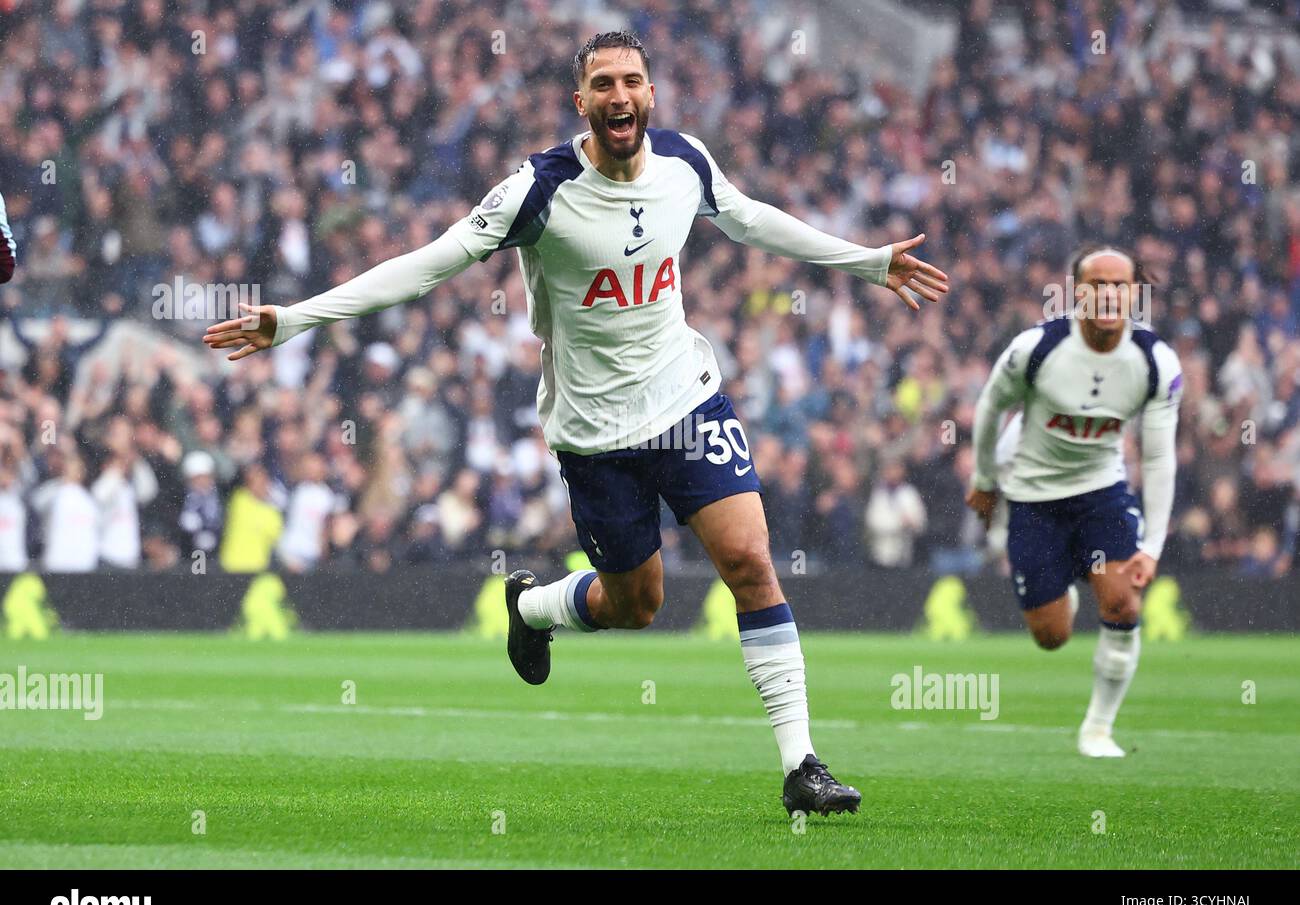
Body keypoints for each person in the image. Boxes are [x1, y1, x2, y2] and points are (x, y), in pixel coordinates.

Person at [202, 32, 950, 816]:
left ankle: (802, 764)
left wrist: (867, 260)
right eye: (603, 84)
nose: (620, 96)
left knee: (750, 561)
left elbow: (752, 219)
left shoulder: (685, 163)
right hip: (595, 434)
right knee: (637, 605)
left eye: (632, 81)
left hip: (687, 402)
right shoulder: (537, 189)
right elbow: (429, 263)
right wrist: (294, 320)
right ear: (581, 102)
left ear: (651, 95)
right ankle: (531, 608)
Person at [966, 245, 1182, 758]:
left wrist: (1151, 547)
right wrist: (984, 478)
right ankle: (1068, 585)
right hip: (1033, 497)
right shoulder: (1035, 349)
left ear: (1135, 293)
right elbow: (990, 407)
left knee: (1124, 600)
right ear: (1075, 292)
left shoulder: (1155, 363)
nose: (1108, 294)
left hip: (1101, 493)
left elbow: (1157, 460)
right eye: (1096, 285)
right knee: (1051, 635)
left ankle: (1098, 730)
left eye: (1119, 285)